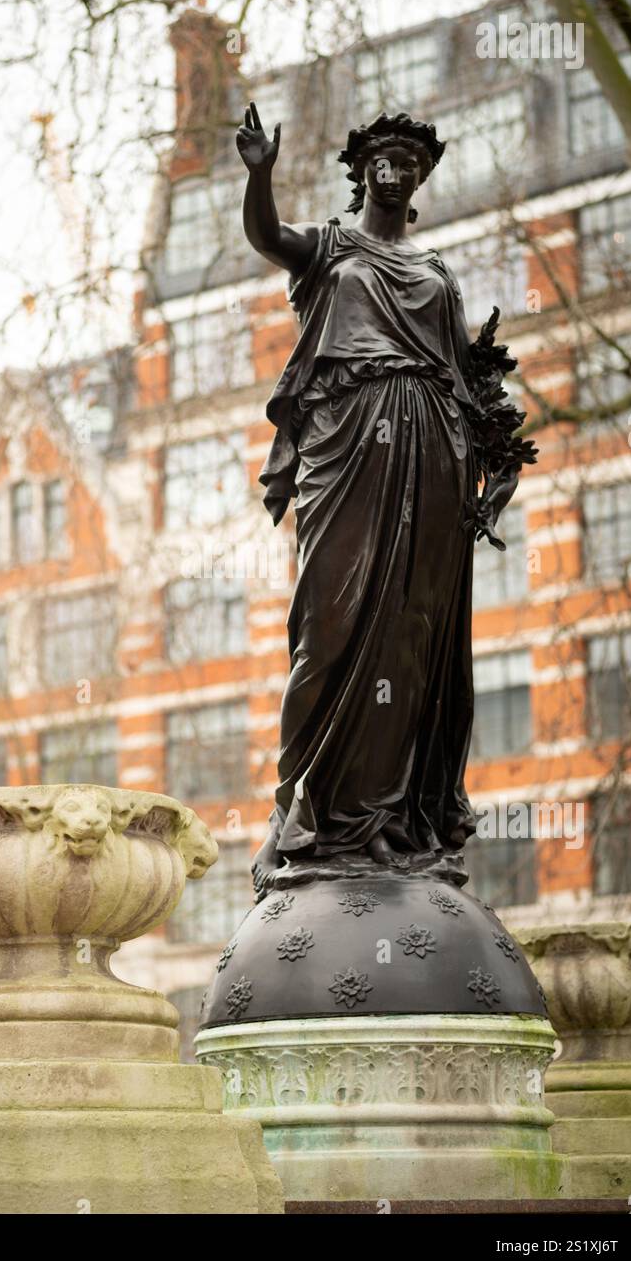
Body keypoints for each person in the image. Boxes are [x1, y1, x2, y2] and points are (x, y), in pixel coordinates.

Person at [235, 103, 535, 895]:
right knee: (329, 625)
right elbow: (268, 239)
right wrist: (260, 174)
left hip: (434, 450)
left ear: (422, 177)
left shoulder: (438, 273)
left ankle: (398, 822)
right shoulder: (330, 248)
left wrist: (497, 469)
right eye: (382, 159)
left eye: (409, 161)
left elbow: (476, 381)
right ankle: (306, 815)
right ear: (362, 171)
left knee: (414, 632)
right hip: (348, 446)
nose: (395, 170)